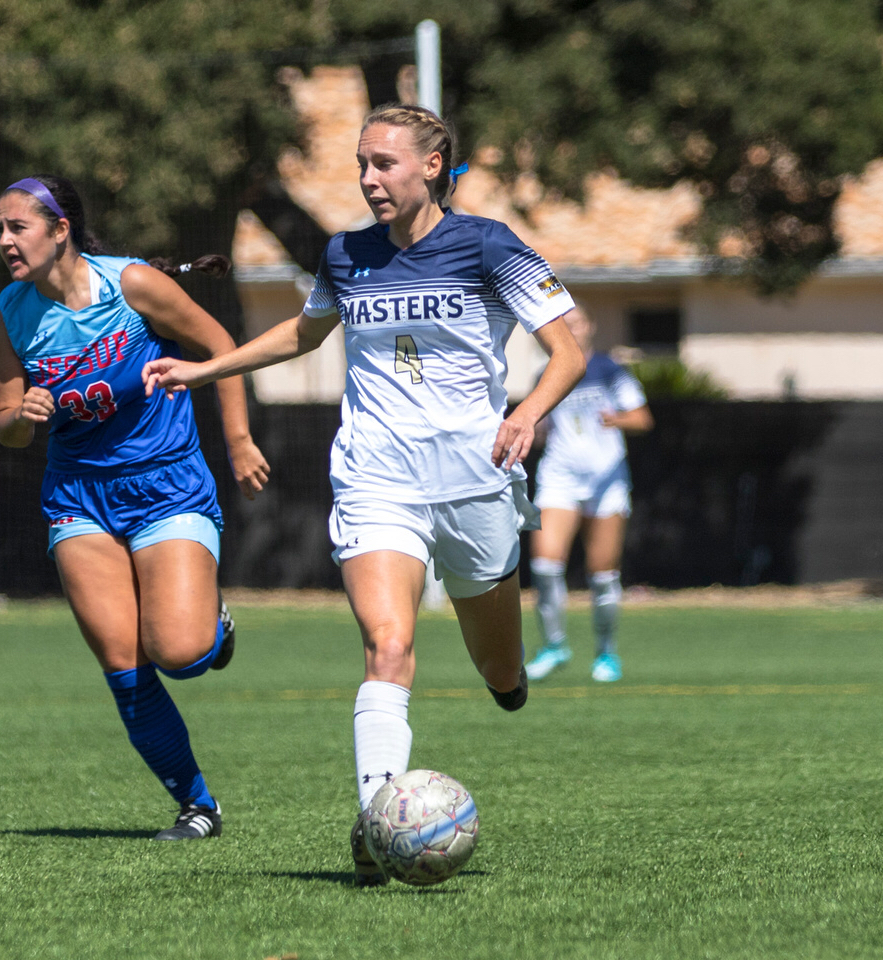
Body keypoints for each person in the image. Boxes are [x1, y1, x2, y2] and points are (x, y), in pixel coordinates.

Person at [142, 104, 585, 884]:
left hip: (475, 481)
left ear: (434, 165)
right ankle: (378, 824)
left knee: (500, 669)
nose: (369, 179)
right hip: (378, 477)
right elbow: (304, 333)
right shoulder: (346, 255)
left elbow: (568, 349)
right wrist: (206, 370)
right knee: (389, 646)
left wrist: (528, 412)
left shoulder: (487, 244)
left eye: (385, 163)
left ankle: (507, 683)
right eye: (362, 163)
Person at [0, 175, 270, 841]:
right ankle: (197, 804)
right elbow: (4, 415)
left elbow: (221, 347)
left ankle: (214, 626)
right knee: (123, 665)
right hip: (78, 497)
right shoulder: (9, 310)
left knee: (179, 651)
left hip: (167, 484)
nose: (4, 240)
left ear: (61, 231)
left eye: (17, 227)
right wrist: (19, 416)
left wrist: (237, 440)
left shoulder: (132, 286)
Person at [524, 307, 653, 684]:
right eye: (564, 324)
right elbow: (543, 426)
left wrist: (615, 418)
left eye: (577, 322)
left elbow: (642, 418)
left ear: (591, 326)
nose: (572, 329)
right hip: (559, 478)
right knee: (545, 567)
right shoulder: (545, 373)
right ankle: (554, 646)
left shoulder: (610, 371)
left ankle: (606, 653)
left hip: (606, 482)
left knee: (602, 575)